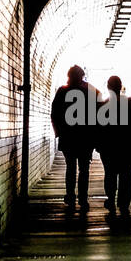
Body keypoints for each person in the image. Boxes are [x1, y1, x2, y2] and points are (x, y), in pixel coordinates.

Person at [50, 65, 100, 211]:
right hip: (86, 138)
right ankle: (83, 199)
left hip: (68, 137)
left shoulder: (62, 91)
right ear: (82, 76)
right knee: (84, 169)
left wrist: (58, 132)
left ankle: (70, 196)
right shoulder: (91, 90)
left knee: (70, 167)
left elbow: (55, 114)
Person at [96, 76, 131, 217]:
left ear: (108, 87)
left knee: (110, 173)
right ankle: (124, 203)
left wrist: (98, 144)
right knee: (126, 174)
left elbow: (98, 127)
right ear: (121, 87)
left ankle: (111, 200)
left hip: (109, 146)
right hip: (128, 145)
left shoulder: (102, 105)